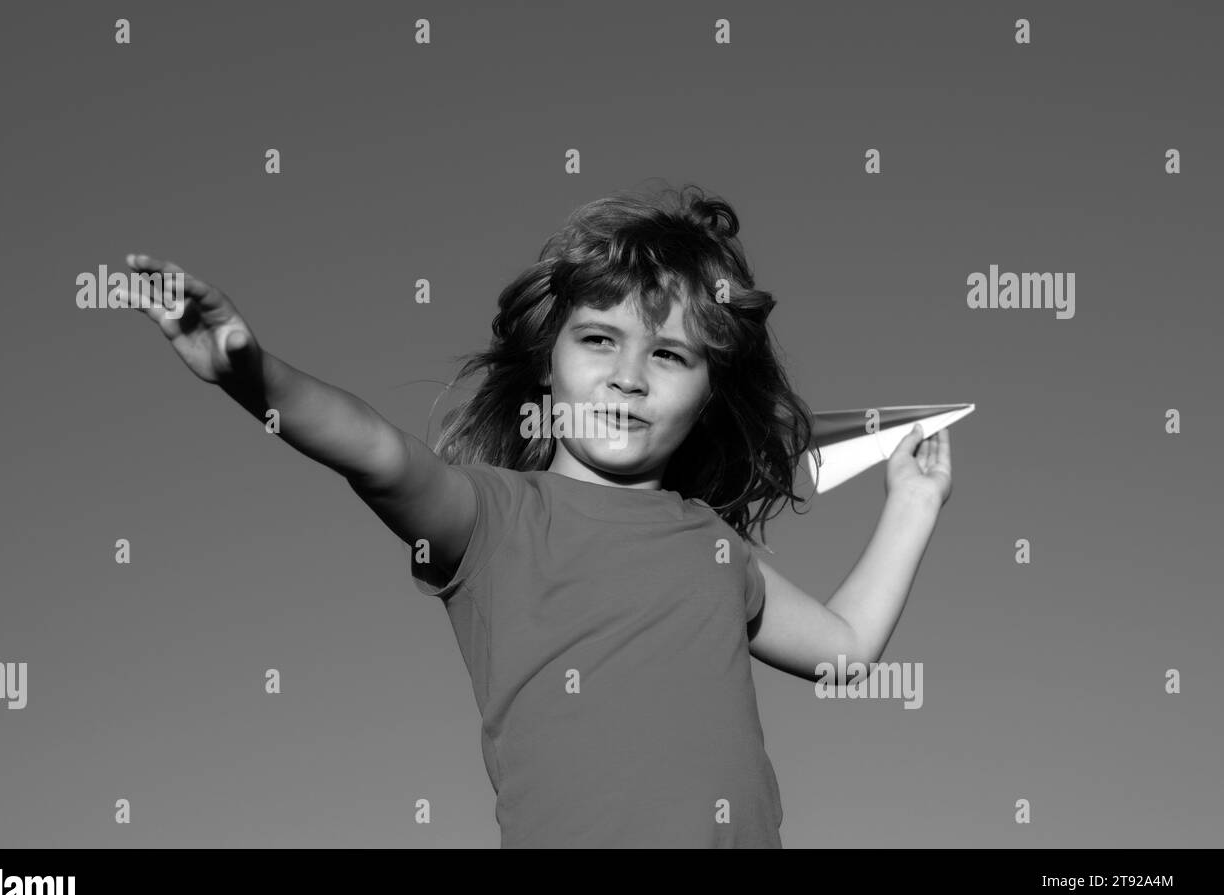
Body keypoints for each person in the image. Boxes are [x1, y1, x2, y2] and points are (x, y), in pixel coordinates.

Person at [120, 181, 952, 848]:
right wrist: (253, 377)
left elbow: (845, 651)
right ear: (547, 367)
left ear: (708, 394)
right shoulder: (495, 518)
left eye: (669, 354)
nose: (629, 376)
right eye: (599, 339)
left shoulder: (713, 545)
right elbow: (376, 453)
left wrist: (913, 503)